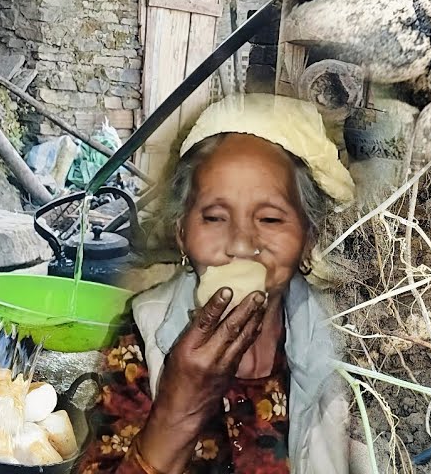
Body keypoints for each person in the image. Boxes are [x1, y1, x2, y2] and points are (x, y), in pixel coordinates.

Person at [77, 94, 361, 474]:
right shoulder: (142, 334)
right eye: (213, 217)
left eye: (271, 219)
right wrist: (180, 408)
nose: (241, 244)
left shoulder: (348, 346)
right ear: (181, 233)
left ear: (308, 238)